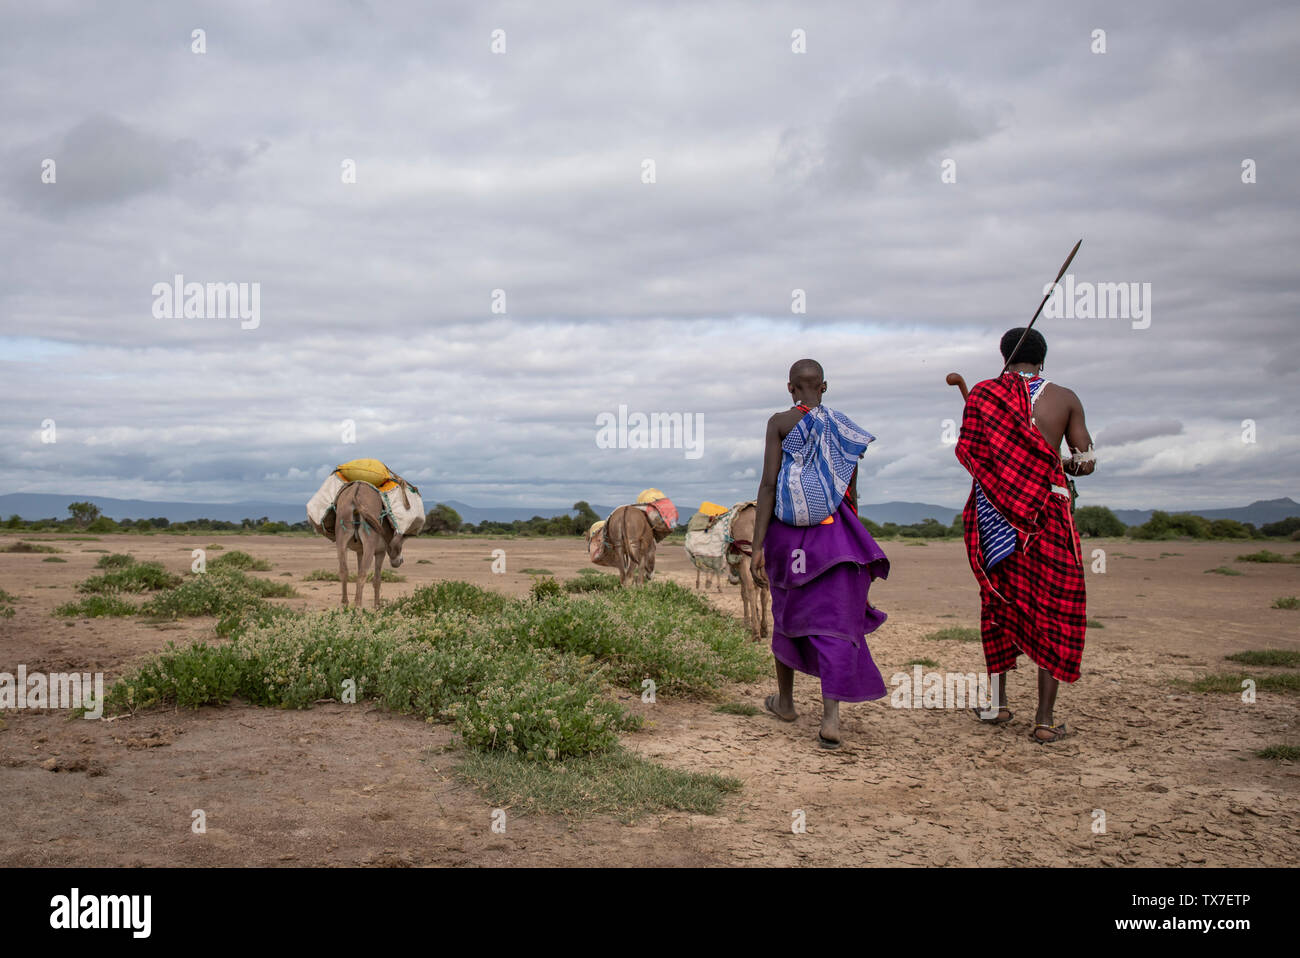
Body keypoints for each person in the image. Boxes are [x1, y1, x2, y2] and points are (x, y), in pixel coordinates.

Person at [955, 327, 1095, 744]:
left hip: (994, 516)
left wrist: (1017, 464)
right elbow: (1085, 460)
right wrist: (1053, 464)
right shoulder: (1066, 398)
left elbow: (973, 451)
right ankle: (1045, 721)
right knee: (1053, 608)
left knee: (997, 602)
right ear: (1043, 358)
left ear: (1004, 356)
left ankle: (997, 707)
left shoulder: (983, 395)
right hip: (1046, 517)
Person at [751, 359, 890, 749]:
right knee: (836, 623)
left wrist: (758, 546)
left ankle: (787, 702)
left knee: (787, 615)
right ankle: (831, 718)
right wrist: (853, 542)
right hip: (836, 540)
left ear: (791, 388)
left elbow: (767, 485)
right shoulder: (845, 430)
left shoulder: (779, 423)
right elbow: (851, 492)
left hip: (787, 539)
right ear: (824, 387)